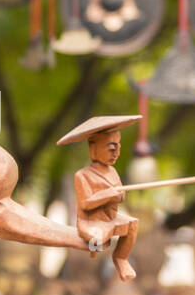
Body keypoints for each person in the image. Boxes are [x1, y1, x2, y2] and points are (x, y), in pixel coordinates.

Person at [58, 115, 142, 280]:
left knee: (132, 224)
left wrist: (118, 194)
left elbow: (121, 196)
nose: (116, 153)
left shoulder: (112, 172)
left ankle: (121, 258)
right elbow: (86, 204)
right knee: (96, 240)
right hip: (92, 220)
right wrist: (106, 195)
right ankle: (88, 269)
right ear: (93, 148)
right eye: (111, 148)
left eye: (118, 147)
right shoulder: (83, 175)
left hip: (111, 218)